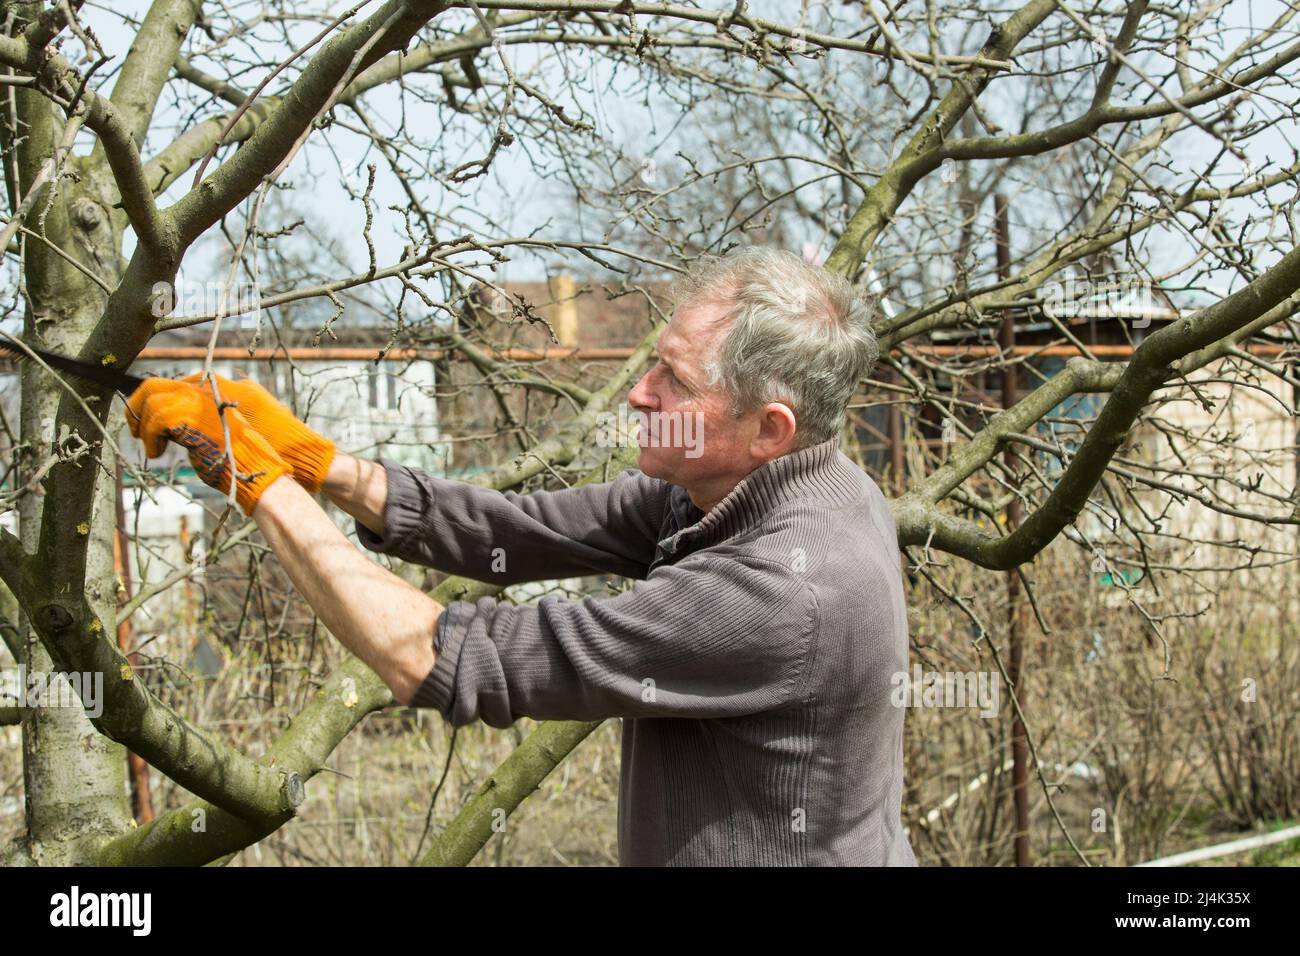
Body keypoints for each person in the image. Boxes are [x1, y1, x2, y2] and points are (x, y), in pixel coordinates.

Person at [128, 245, 917, 866]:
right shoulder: (761, 483)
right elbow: (517, 531)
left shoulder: (782, 589)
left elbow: (443, 658)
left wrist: (263, 486)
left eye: (673, 380)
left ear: (768, 428)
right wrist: (313, 460)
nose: (638, 393)